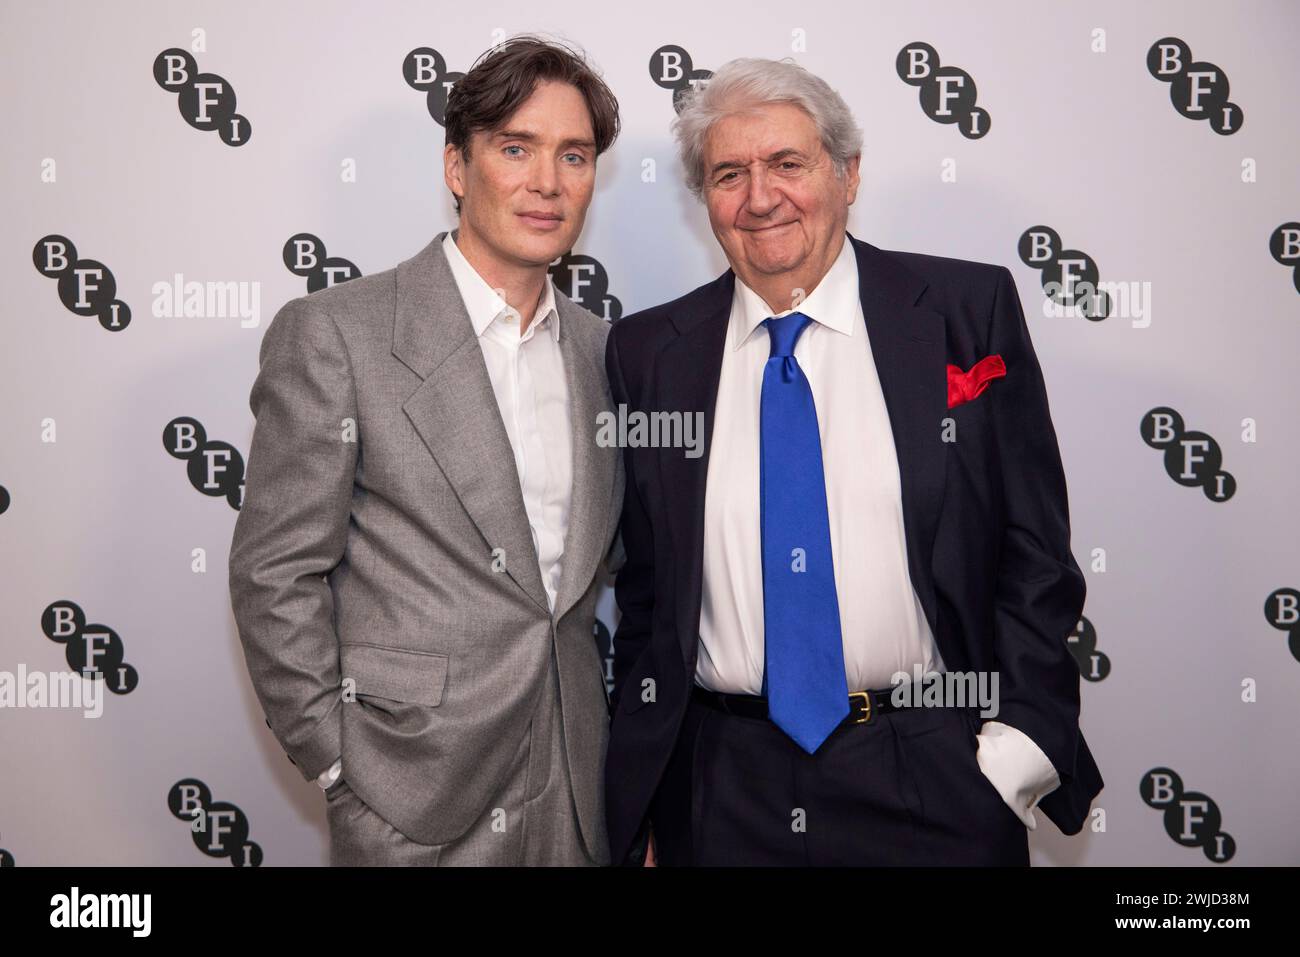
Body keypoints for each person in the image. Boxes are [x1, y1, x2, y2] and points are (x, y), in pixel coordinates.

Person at [604, 57, 1102, 866]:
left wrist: (1014, 756)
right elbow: (650, 592)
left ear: (849, 174)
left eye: (787, 164)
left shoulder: (964, 313)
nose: (760, 197)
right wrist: (655, 790)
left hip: (934, 769)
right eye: (730, 173)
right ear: (705, 201)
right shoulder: (648, 354)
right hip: (724, 785)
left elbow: (1035, 552)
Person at [228, 35, 623, 866]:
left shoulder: (605, 353)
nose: (547, 182)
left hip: (579, 789)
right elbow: (275, 571)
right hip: (411, 792)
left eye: (573, 155)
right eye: (516, 149)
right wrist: (339, 762)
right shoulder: (338, 335)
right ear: (457, 167)